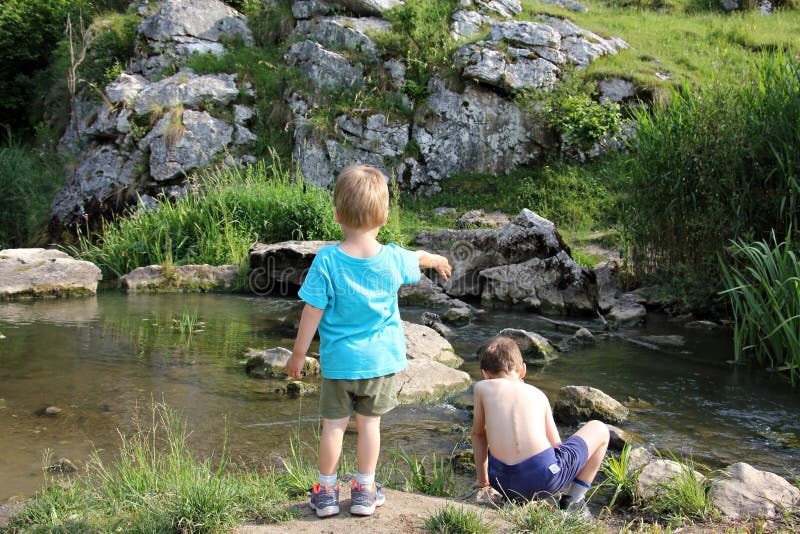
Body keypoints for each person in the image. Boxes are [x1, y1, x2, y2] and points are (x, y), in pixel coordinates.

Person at [284, 164, 452, 518]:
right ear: (385, 216)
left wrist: (298, 355)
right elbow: (418, 258)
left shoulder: (327, 260)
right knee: (369, 426)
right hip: (380, 364)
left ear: (336, 214)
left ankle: (326, 492)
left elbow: (311, 311)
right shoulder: (392, 258)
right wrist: (437, 260)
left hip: (339, 363)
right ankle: (364, 490)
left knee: (333, 427)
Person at [470, 336, 609, 513]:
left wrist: (483, 482)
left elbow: (478, 435)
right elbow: (556, 444)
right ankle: (573, 502)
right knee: (600, 429)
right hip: (543, 479)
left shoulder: (481, 388)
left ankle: (517, 492)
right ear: (523, 371)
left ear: (485, 374)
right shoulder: (538, 394)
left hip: (502, 482)